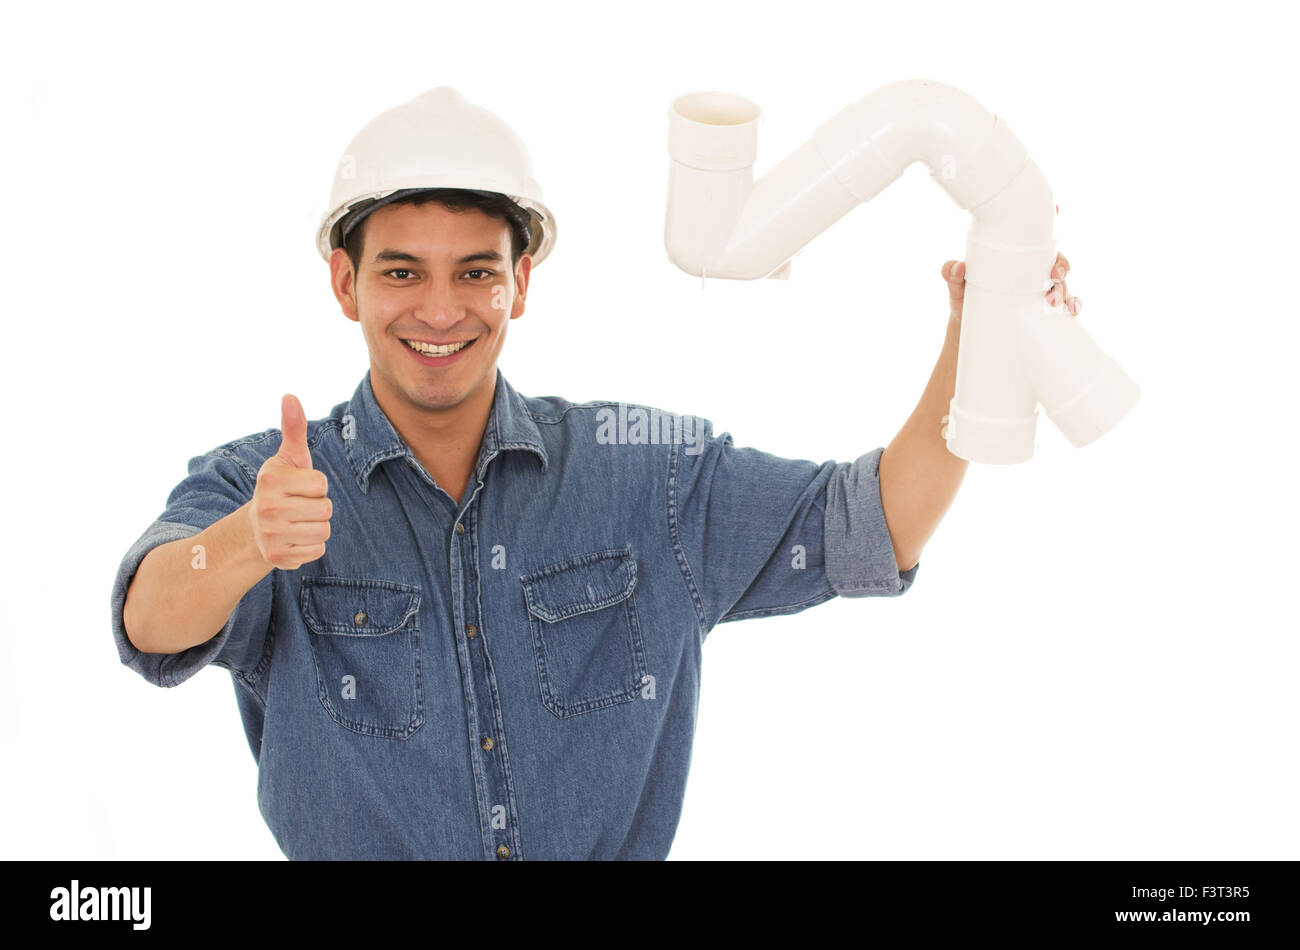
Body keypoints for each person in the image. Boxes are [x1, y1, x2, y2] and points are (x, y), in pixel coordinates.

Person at [110, 86, 1077, 860]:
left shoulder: (644, 474)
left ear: (521, 281)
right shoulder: (266, 483)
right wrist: (247, 543)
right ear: (344, 282)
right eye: (402, 272)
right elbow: (147, 621)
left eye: (476, 272)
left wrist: (979, 338)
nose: (440, 311)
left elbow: (871, 524)